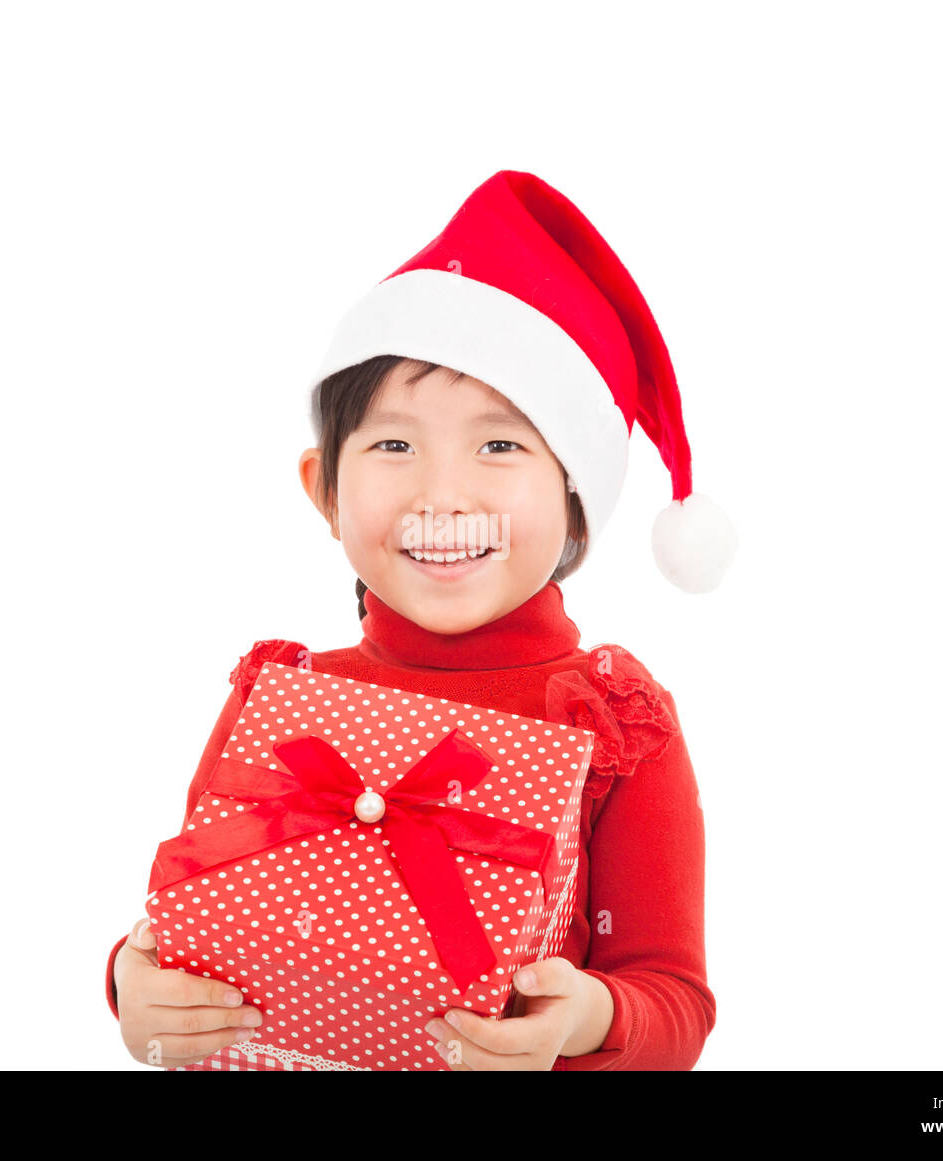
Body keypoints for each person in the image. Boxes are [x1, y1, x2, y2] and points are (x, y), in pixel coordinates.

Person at [107, 170, 738, 1071]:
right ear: (324, 490)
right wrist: (133, 985)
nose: (443, 495)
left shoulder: (612, 720)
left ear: (576, 495)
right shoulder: (282, 698)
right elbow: (192, 917)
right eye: (394, 444)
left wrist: (586, 1017)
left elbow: (674, 1000)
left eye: (500, 444)